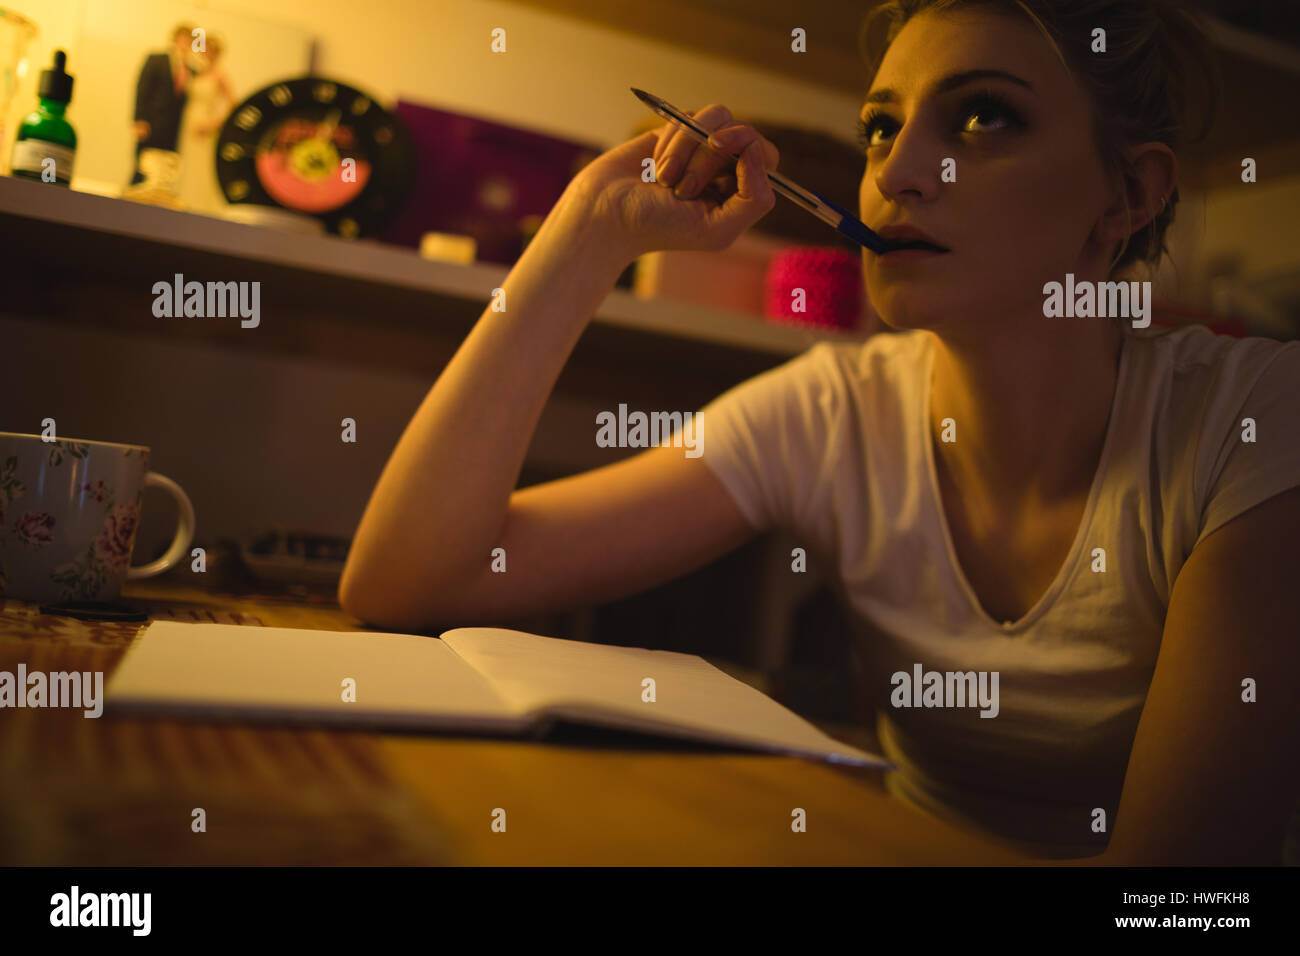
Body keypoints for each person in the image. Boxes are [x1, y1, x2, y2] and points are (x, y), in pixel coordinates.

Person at [339, 0, 1300, 865]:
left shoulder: (1250, 419)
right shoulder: (834, 407)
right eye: (881, 128)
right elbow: (410, 580)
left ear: (1128, 195)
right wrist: (588, 233)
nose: (898, 173)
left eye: (983, 117)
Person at [175, 34, 236, 213]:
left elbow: (233, 104)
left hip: (204, 125)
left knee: (200, 169)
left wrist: (214, 123)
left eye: (211, 51)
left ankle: (198, 208)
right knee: (183, 165)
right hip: (188, 123)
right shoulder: (195, 71)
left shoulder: (220, 75)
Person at [130, 24, 196, 185]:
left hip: (174, 130)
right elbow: (142, 88)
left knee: (164, 174)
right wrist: (140, 120)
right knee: (143, 169)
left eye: (190, 41)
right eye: (183, 39)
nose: (186, 44)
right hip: (152, 123)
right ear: (175, 39)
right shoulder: (157, 59)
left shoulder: (192, 69)